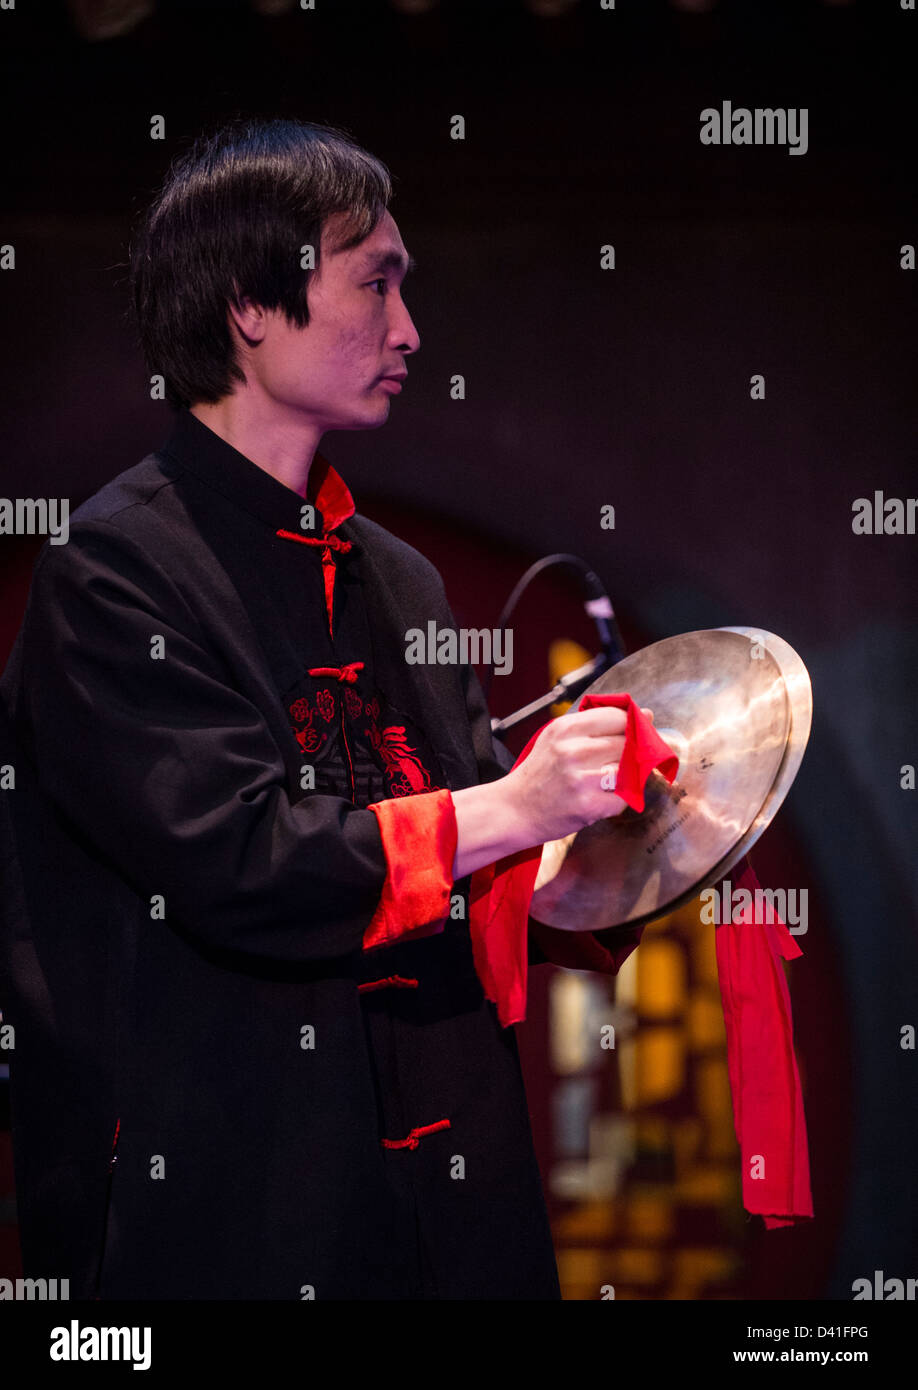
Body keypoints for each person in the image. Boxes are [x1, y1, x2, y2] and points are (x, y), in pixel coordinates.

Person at [0, 118, 648, 1300]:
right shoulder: (112, 571)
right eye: (378, 282)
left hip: (449, 1192)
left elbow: (469, 856)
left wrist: (626, 851)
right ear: (253, 301)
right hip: (236, 1197)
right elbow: (240, 858)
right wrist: (507, 806)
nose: (411, 331)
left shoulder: (397, 577)